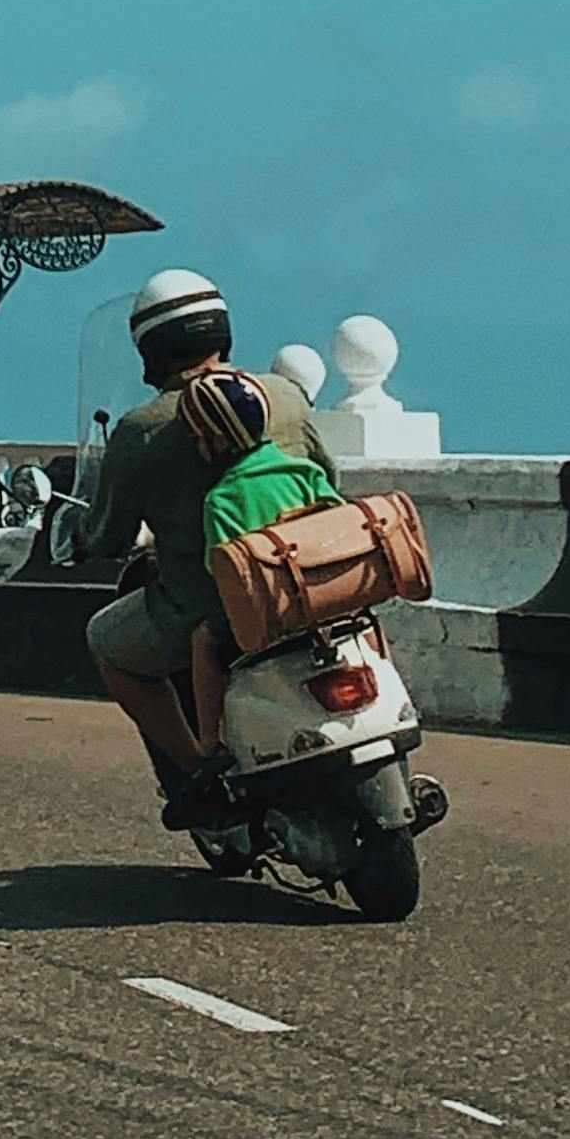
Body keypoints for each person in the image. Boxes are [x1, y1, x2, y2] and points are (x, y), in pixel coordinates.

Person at [75, 267, 342, 829]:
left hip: (208, 602)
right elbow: (328, 475)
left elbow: (111, 535)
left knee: (106, 642)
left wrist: (81, 538)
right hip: (312, 584)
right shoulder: (285, 396)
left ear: (150, 347)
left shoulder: (143, 428)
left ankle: (202, 764)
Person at [179, 359, 344, 769]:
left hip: (273, 616)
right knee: (366, 626)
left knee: (203, 640)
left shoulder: (221, 498)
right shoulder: (303, 471)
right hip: (326, 600)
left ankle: (208, 743)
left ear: (215, 440)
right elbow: (338, 521)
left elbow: (219, 568)